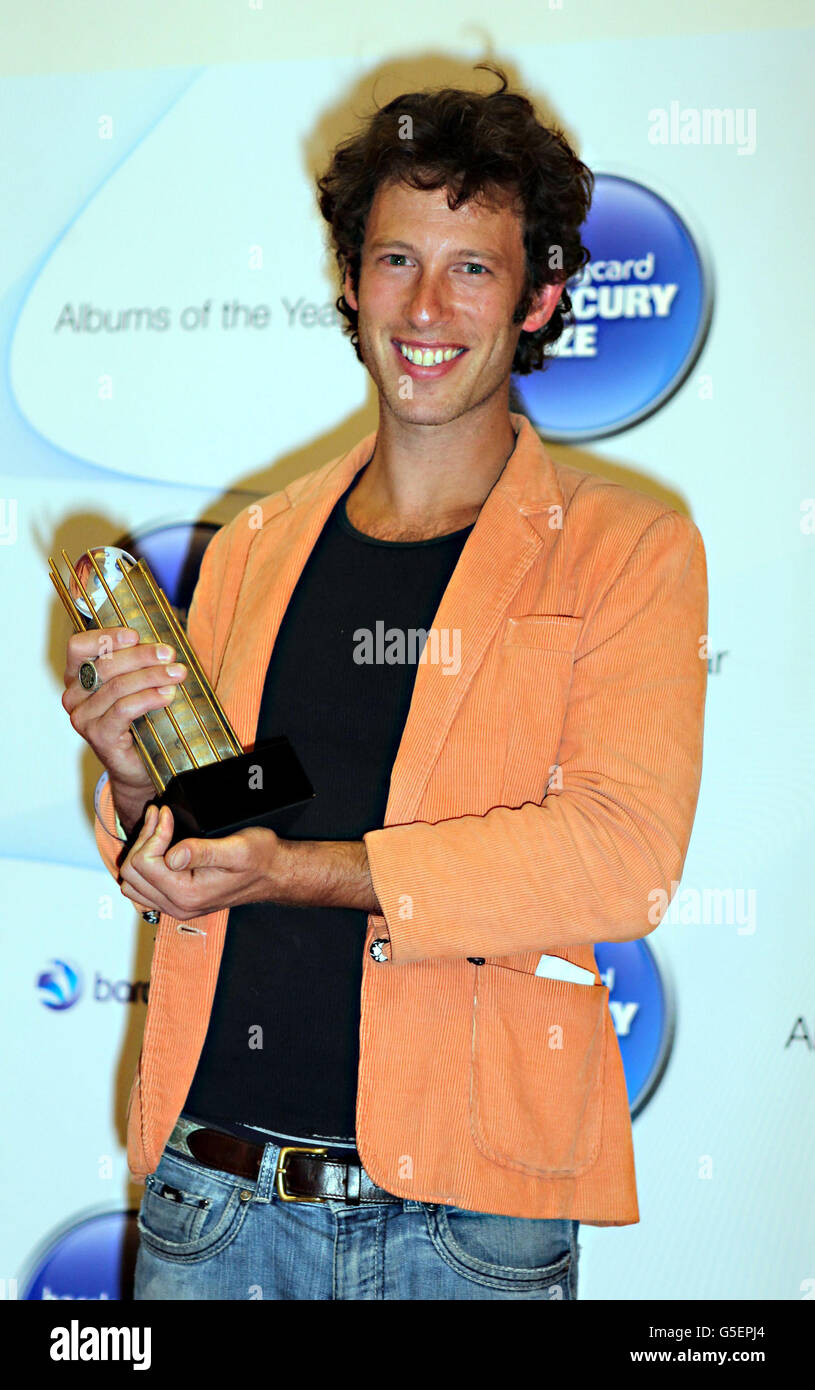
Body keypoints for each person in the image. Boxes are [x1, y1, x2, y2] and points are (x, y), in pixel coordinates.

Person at [60, 66, 708, 1300]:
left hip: (465, 1230)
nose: (424, 304)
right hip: (216, 1199)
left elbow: (620, 856)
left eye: (472, 266)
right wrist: (139, 777)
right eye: (394, 259)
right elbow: (250, 801)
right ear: (349, 284)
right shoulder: (252, 549)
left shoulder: (624, 547)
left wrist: (307, 873)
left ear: (538, 298)